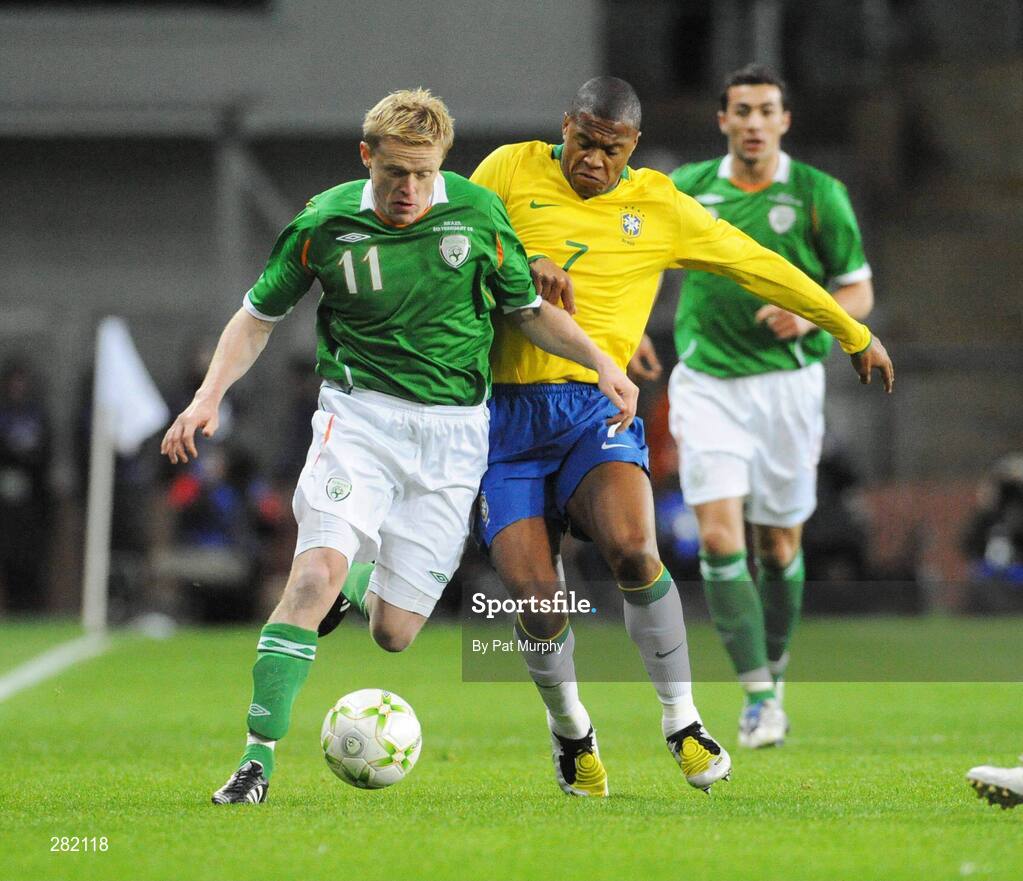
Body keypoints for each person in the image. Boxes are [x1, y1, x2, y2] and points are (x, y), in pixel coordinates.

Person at [160, 88, 638, 805]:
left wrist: (600, 362)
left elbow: (527, 311)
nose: (409, 189)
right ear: (367, 157)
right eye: (394, 173)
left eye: (423, 173)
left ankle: (359, 575)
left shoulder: (478, 216)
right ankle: (256, 762)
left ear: (441, 164)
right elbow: (256, 317)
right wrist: (207, 397)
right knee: (311, 578)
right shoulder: (324, 223)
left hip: (453, 437)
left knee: (394, 632)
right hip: (358, 420)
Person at [467, 76, 892, 797]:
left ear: (632, 147)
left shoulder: (659, 206)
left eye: (611, 150)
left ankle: (683, 721)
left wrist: (849, 330)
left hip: (595, 411)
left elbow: (758, 265)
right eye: (584, 142)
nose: (594, 160)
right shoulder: (508, 168)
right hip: (503, 416)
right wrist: (516, 260)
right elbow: (458, 245)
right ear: (565, 125)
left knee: (635, 548)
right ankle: (571, 731)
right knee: (537, 601)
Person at [663, 64, 879, 749]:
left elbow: (857, 290)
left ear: (784, 120)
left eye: (765, 111)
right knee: (718, 539)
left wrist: (812, 316)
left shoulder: (818, 194)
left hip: (788, 389)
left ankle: (775, 675)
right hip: (707, 382)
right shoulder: (686, 187)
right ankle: (757, 696)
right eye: (742, 111)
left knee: (778, 545)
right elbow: (637, 258)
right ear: (722, 120)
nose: (753, 123)